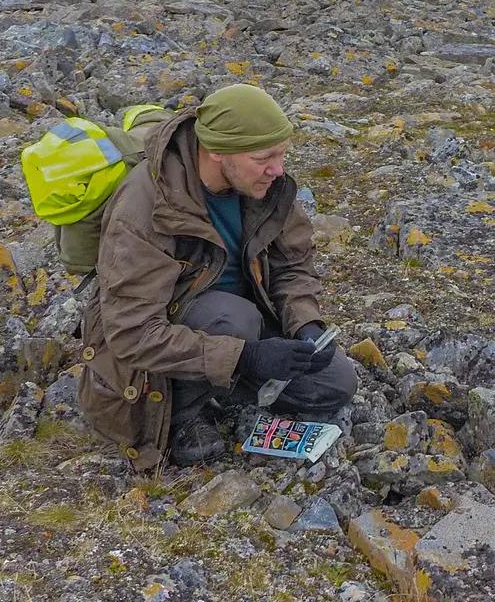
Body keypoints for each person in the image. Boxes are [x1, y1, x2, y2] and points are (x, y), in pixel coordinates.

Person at [76, 84, 357, 469]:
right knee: (231, 319)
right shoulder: (143, 206)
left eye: (282, 154)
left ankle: (223, 380)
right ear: (216, 152)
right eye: (264, 157)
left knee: (334, 384)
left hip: (238, 330)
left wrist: (305, 323)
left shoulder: (262, 185)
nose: (278, 169)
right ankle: (181, 417)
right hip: (162, 355)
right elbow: (132, 333)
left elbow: (293, 265)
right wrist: (246, 358)